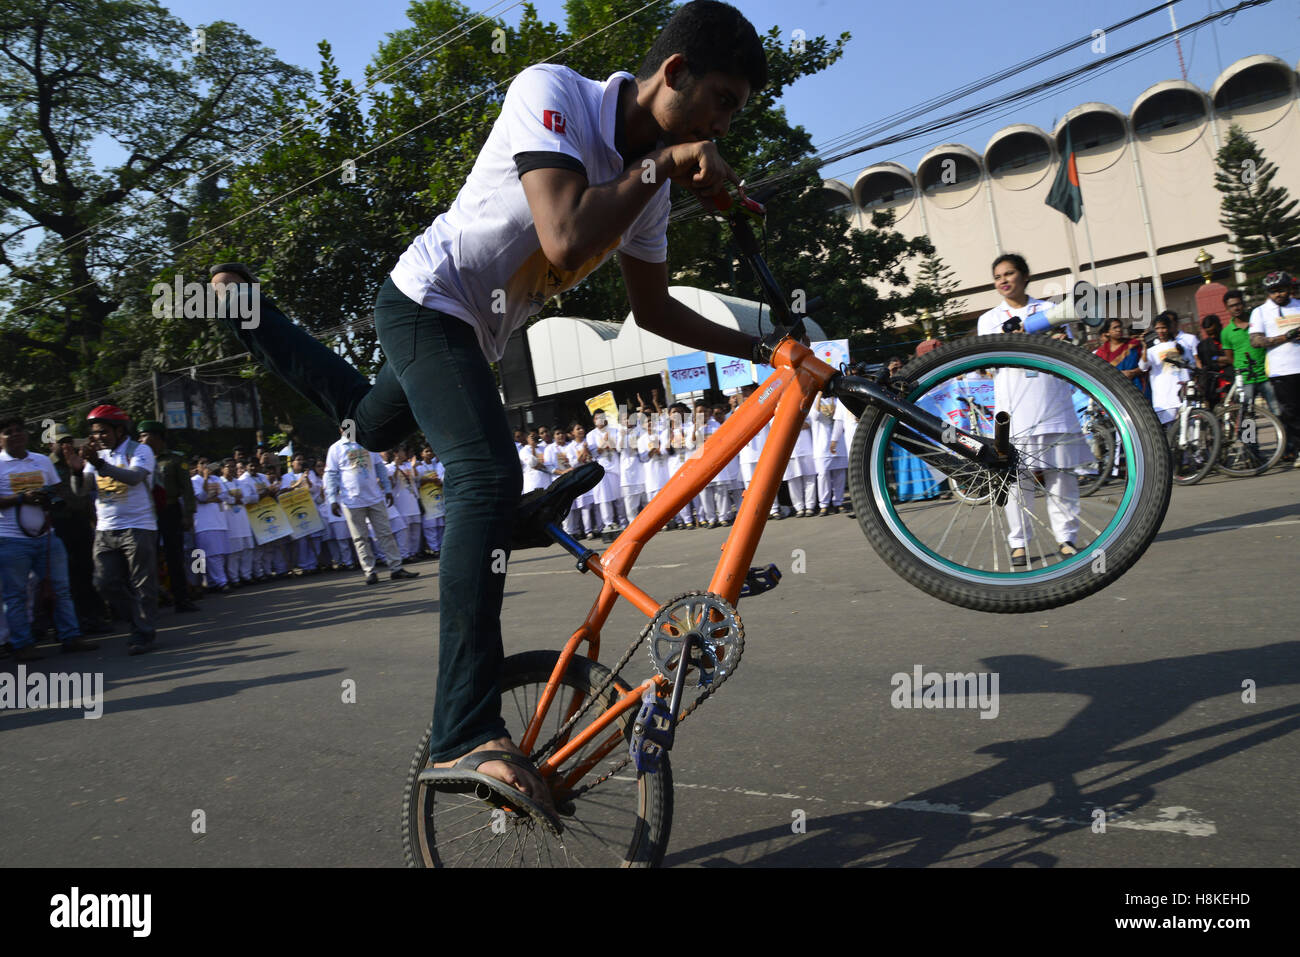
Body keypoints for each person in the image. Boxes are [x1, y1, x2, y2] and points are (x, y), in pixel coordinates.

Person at [204, 0, 767, 809]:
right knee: (486, 478)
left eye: (733, 114)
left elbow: (656, 310)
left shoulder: (652, 184)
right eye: (721, 102)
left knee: (368, 420)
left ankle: (247, 312)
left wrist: (765, 350)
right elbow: (568, 237)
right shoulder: (556, 93)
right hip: (428, 303)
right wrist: (668, 164)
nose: (722, 128)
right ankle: (463, 727)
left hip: (477, 335)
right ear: (673, 73)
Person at [977, 254, 1089, 564]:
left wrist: (1055, 340)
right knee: (1015, 480)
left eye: (1009, 273)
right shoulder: (989, 319)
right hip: (1014, 411)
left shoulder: (1051, 311)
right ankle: (1019, 543)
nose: (1003, 280)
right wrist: (1011, 341)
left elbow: (1067, 353)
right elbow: (987, 362)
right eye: (998, 276)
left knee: (1061, 476)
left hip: (1052, 404)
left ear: (1025, 276)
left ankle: (1067, 539)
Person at [0, 416, 94, 662]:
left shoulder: (41, 461)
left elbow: (58, 490)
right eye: (8, 432)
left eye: (19, 430)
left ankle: (70, 636)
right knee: (15, 595)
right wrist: (21, 498)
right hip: (11, 540)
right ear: (1, 439)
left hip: (47, 537)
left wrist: (48, 497)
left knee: (62, 589)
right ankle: (22, 644)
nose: (15, 435)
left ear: (27, 434)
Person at [75, 405, 160, 654]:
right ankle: (138, 620)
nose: (98, 437)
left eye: (103, 431)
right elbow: (81, 491)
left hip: (138, 526)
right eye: (95, 433)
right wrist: (76, 470)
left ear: (120, 430)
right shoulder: (96, 457)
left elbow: (134, 478)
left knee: (142, 583)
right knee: (104, 583)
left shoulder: (139, 450)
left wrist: (99, 464)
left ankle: (143, 633)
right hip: (105, 529)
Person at [323, 428, 418, 584]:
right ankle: (370, 572)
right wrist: (332, 499)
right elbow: (331, 474)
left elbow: (380, 467)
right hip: (351, 501)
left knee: (386, 533)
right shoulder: (335, 448)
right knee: (360, 538)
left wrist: (387, 490)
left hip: (375, 498)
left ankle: (396, 569)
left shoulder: (368, 444)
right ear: (340, 429)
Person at [137, 421, 201, 611]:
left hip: (170, 511)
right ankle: (153, 600)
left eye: (144, 435)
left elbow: (187, 490)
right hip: (146, 513)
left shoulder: (174, 460)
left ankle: (182, 599)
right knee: (148, 558)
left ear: (157, 437)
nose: (140, 440)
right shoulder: (138, 459)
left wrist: (188, 515)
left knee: (175, 556)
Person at [1248, 271, 1300, 461]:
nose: (1278, 294)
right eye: (1273, 291)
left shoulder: (1298, 305)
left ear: (1289, 289)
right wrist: (1285, 337)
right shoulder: (1260, 312)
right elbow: (1256, 340)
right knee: (1291, 414)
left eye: (1281, 290)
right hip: (1282, 371)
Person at [1220, 288, 1279, 415]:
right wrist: (1241, 367)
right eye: (1232, 306)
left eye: (1238, 304)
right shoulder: (1226, 332)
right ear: (1227, 308)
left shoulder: (1257, 322)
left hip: (1266, 375)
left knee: (1277, 411)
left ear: (1243, 303)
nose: (1236, 308)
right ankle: (1249, 436)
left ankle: (1283, 435)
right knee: (1247, 416)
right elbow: (1230, 357)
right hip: (1245, 379)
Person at [1146, 313, 1194, 425]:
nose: (1161, 331)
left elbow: (1189, 366)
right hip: (1164, 399)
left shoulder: (1180, 345)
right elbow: (1144, 366)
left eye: (1163, 327)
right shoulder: (1151, 350)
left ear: (1169, 328)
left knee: (1187, 428)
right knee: (1170, 432)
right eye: (1157, 328)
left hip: (1181, 394)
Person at [1094, 318, 1150, 400]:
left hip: (1137, 388)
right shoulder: (1101, 352)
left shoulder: (1133, 344)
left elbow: (1145, 366)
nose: (1119, 329)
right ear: (1107, 332)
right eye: (1115, 328)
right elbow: (1099, 374)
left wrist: (1132, 372)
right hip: (1117, 393)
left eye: (1120, 327)